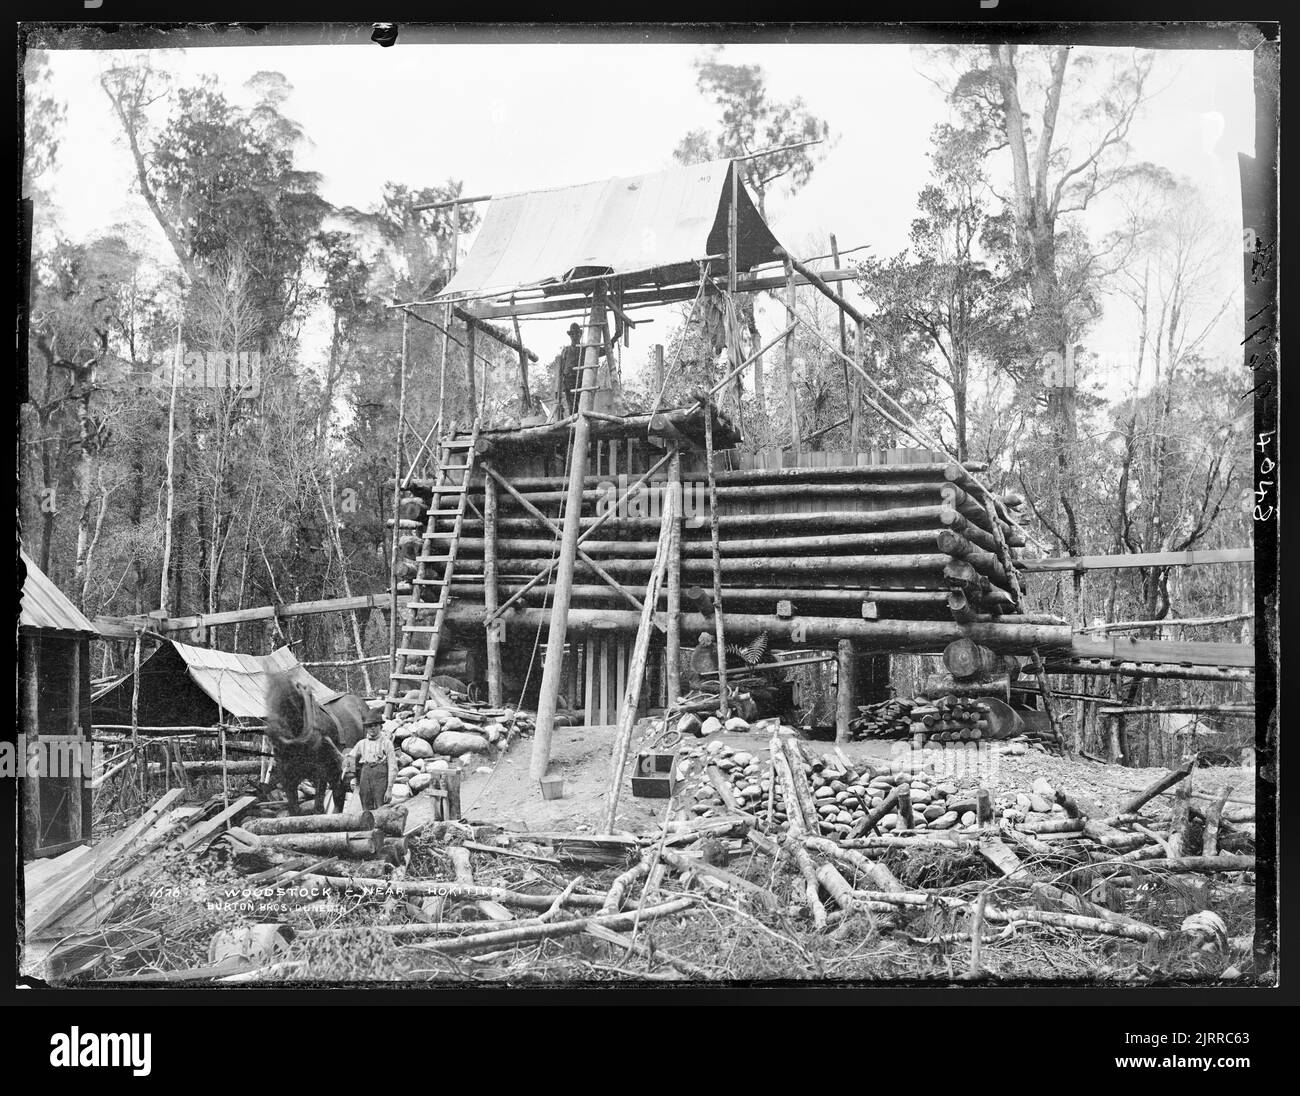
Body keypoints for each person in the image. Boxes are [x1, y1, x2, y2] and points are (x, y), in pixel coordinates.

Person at [345, 719, 397, 810]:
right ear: (366, 728)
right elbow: (350, 757)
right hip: (365, 775)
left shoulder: (387, 743)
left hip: (381, 778)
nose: (372, 728)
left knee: (381, 808)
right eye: (369, 726)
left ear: (380, 727)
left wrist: (389, 789)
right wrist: (350, 777)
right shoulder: (361, 743)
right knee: (366, 808)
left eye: (375, 725)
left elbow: (393, 766)